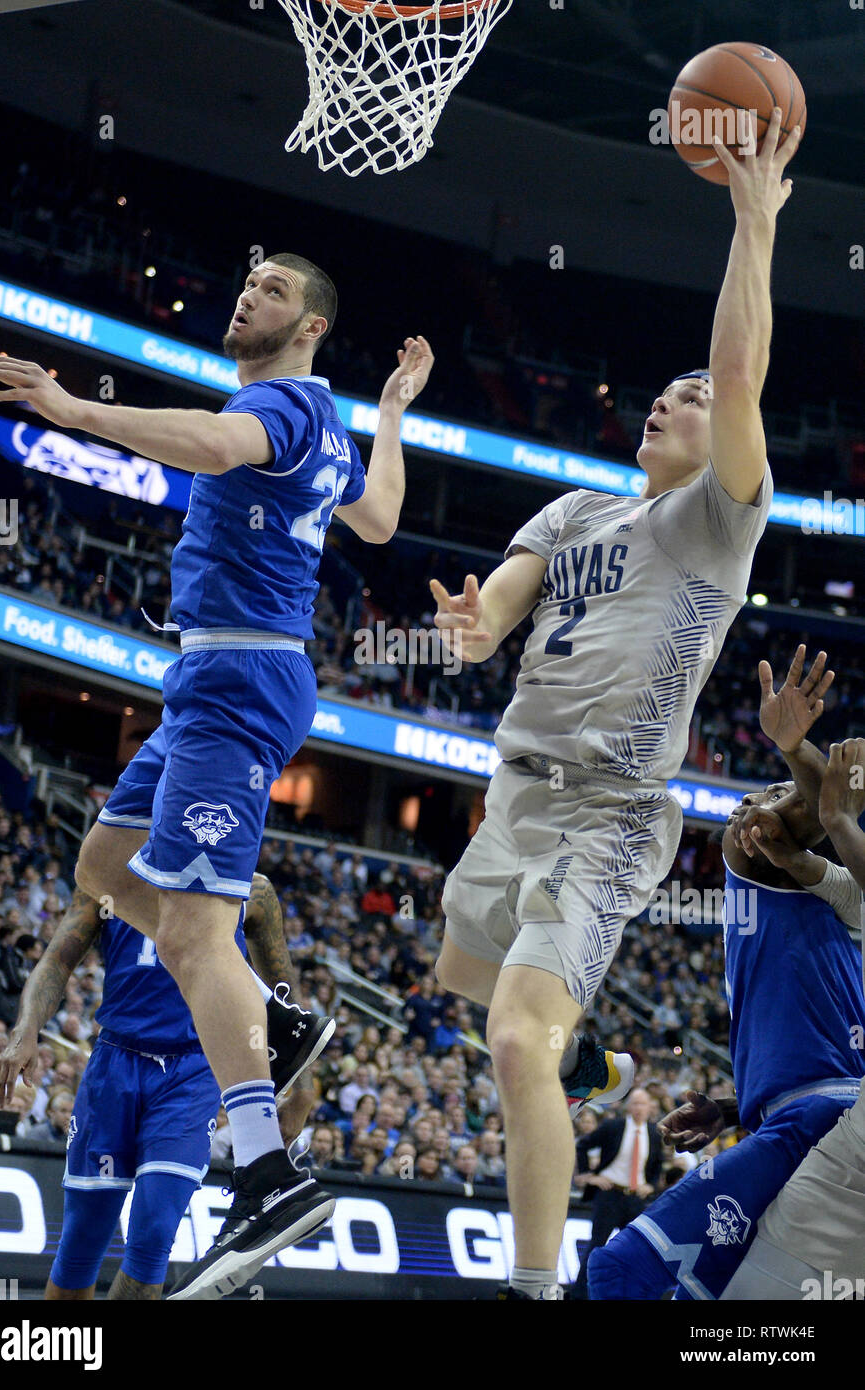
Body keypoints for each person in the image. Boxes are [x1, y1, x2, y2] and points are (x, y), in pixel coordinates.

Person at [0, 255, 433, 1300]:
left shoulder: (274, 407)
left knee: (185, 930)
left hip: (238, 678)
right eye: (246, 281)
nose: (246, 294)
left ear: (309, 325)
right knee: (101, 863)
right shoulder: (327, 426)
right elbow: (382, 519)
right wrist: (393, 412)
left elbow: (216, 443)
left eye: (271, 288)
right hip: (210, 681)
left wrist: (74, 409)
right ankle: (277, 1017)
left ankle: (267, 1174)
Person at [428, 114, 801, 1300]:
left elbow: (737, 370)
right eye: (659, 392)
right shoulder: (571, 511)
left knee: (512, 1040)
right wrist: (475, 623)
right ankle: (604, 1064)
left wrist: (751, 223)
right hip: (512, 792)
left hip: (610, 809)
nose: (670, 400)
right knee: (462, 983)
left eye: (687, 397)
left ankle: (537, 1292)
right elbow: (498, 602)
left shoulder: (712, 521)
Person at [588, 651, 865, 1301]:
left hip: (818, 1118)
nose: (756, 809)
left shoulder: (808, 878)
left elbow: (814, 807)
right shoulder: (779, 886)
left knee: (621, 1269)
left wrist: (796, 751)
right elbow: (814, 809)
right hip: (790, 1118)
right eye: (753, 796)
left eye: (766, 797)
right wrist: (732, 1107)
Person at [0, 875, 332, 1300]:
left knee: (152, 1236)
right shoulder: (111, 870)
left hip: (192, 1070)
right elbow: (59, 958)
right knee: (82, 1238)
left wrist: (302, 1085)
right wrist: (26, 1029)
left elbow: (284, 997)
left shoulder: (253, 890)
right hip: (116, 1061)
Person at [720, 737, 865, 1300]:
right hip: (811, 1120)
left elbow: (820, 823)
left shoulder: (834, 897)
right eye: (770, 793)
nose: (781, 801)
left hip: (822, 1116)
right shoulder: (751, 863)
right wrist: (795, 751)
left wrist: (795, 750)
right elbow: (803, 821)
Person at [569, 1089, 662, 1299]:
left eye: (643, 1104)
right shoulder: (614, 1127)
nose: (639, 1108)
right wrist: (588, 1175)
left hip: (635, 1198)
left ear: (649, 1108)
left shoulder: (654, 1133)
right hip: (610, 1194)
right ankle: (579, 1294)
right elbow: (583, 1145)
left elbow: (657, 1166)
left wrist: (650, 1185)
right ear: (629, 1107)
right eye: (635, 1104)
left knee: (638, 1249)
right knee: (597, 1244)